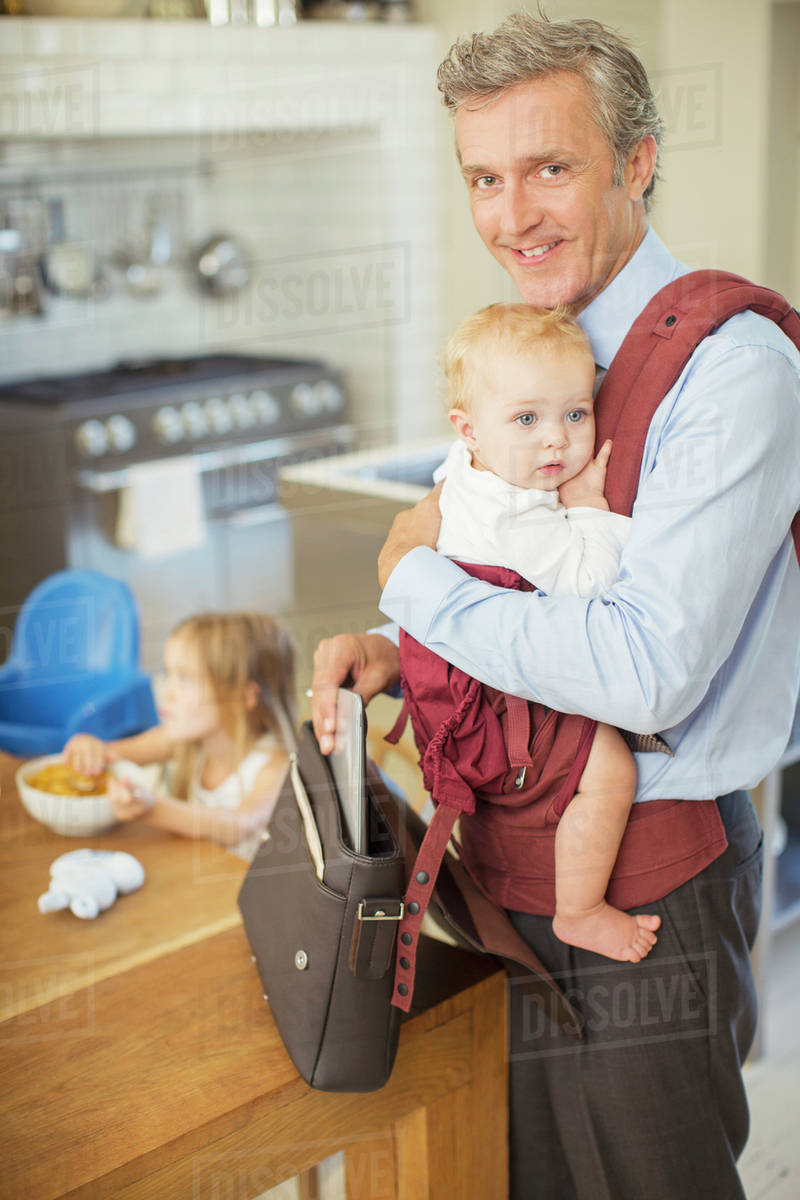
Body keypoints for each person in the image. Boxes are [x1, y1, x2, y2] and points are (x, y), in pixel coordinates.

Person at [311, 10, 800, 1200]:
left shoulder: (733, 370)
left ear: (635, 162)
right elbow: (511, 575)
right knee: (526, 1172)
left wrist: (411, 580)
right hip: (512, 851)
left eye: (548, 168)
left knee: (650, 1181)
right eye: (483, 178)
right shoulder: (529, 355)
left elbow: (643, 671)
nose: (510, 215)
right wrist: (395, 645)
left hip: (652, 872)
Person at [421, 300, 660, 962]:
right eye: (527, 419)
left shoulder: (467, 470)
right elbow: (589, 586)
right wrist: (589, 510)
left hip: (468, 683)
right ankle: (580, 910)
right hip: (499, 696)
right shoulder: (517, 517)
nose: (556, 439)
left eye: (576, 414)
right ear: (469, 428)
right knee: (610, 772)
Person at [64, 612, 295, 859]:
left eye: (184, 678)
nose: (167, 692)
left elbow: (239, 826)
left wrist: (152, 808)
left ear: (241, 697)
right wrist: (90, 748)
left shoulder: (276, 764)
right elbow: (111, 755)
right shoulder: (184, 742)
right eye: (168, 674)